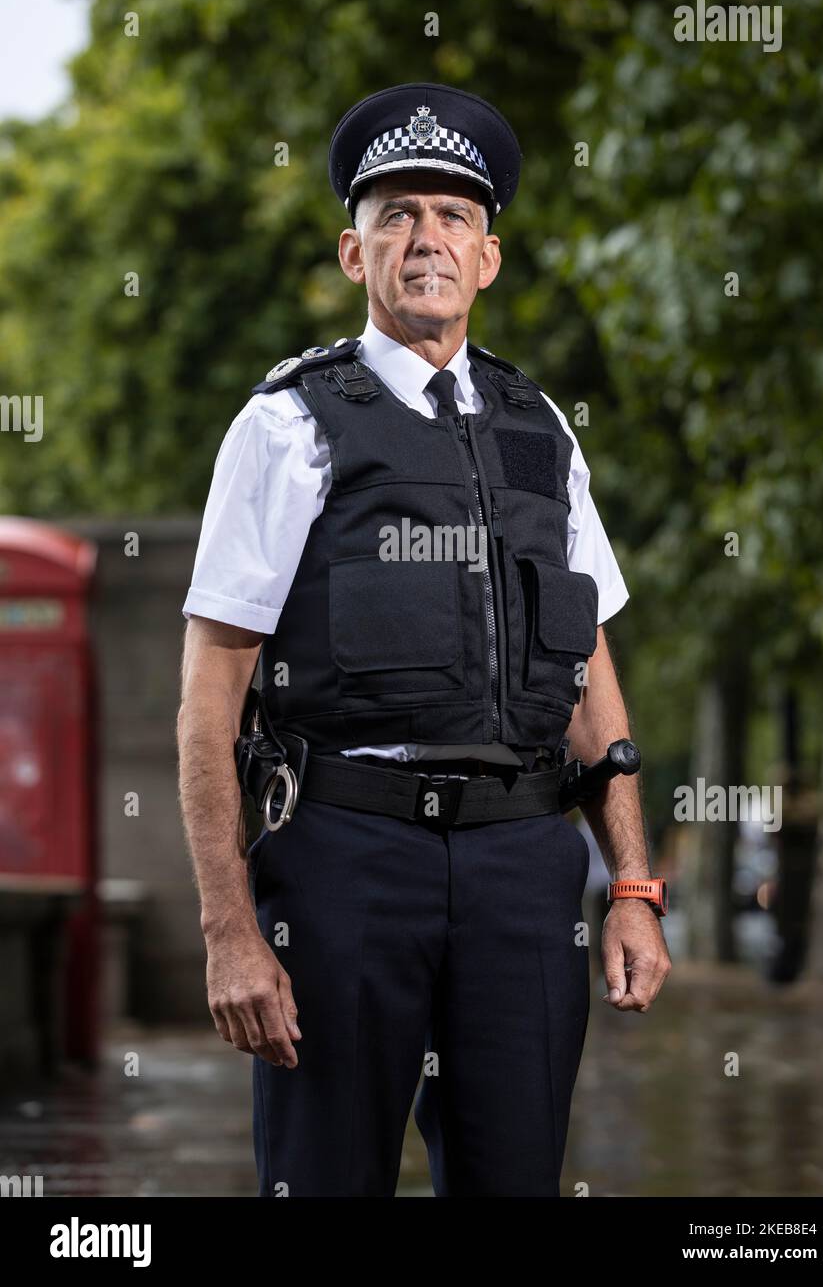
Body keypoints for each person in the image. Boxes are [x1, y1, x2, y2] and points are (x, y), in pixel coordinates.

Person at [177, 82, 671, 1198]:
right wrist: (229, 927)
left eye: (452, 216)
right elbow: (212, 689)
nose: (426, 238)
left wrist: (632, 885)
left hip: (523, 868)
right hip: (347, 860)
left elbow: (586, 660)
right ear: (354, 253)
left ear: (487, 258)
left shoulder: (542, 430)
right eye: (396, 213)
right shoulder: (288, 422)